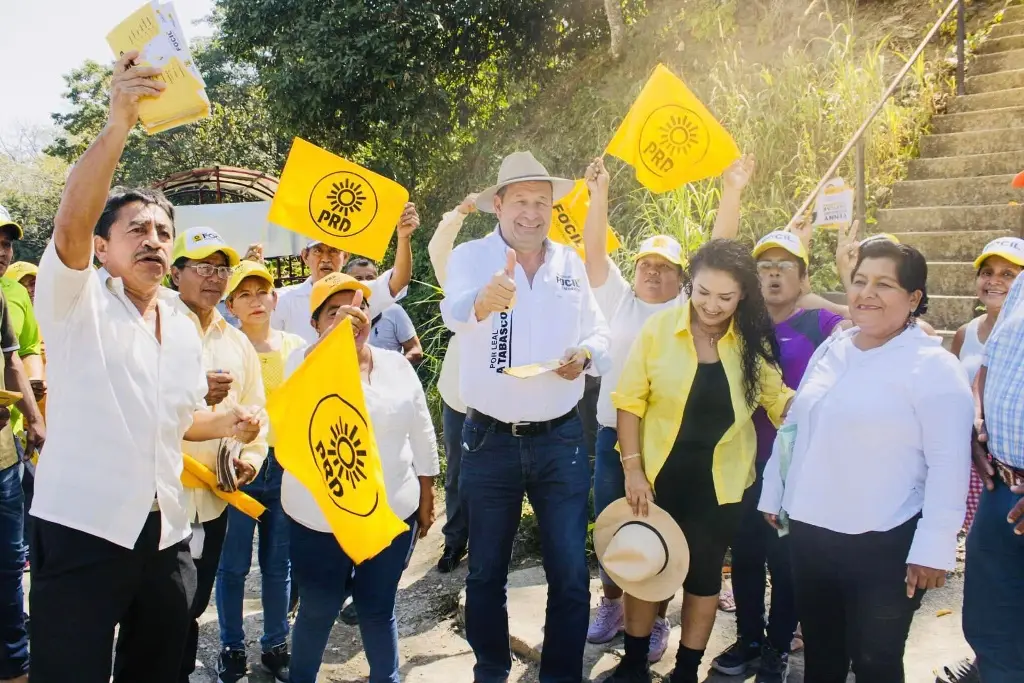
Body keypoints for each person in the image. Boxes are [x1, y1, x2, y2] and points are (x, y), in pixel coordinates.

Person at [28, 51, 264, 683]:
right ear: (102, 249)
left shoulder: (181, 324)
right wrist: (119, 122)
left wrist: (230, 423)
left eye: (164, 231)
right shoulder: (75, 301)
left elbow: (179, 421)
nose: (154, 240)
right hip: (83, 525)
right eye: (136, 230)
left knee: (161, 667)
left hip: (166, 534)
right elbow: (71, 220)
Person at [759, 240, 973, 683]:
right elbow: (796, 425)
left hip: (885, 541)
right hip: (811, 533)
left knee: (876, 662)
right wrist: (774, 491)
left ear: (914, 298)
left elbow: (950, 466)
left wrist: (934, 548)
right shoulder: (833, 349)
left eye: (884, 284)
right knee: (821, 656)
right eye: (859, 281)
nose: (866, 293)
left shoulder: (933, 367)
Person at [440, 151, 611, 683]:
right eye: (520, 201)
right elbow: (453, 311)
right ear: (498, 204)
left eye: (542, 201)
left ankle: (560, 675)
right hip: (489, 440)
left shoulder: (571, 264)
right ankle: (490, 670)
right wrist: (484, 301)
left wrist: (583, 355)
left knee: (570, 571)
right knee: (487, 571)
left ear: (552, 206)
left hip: (561, 440)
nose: (531, 213)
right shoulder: (471, 256)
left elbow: (599, 331)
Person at [582, 154, 755, 662]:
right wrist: (599, 196)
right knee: (617, 531)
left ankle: (655, 626)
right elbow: (594, 250)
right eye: (646, 264)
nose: (653, 272)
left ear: (683, 277)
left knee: (659, 536)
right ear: (634, 269)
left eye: (665, 267)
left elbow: (719, 253)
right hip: (613, 436)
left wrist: (733, 190)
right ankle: (611, 604)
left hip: (663, 446)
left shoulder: (689, 309)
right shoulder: (617, 299)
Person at [610, 238, 794, 683]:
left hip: (721, 486)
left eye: (725, 297)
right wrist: (633, 470)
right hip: (657, 480)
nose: (712, 305)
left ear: (743, 295)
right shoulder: (659, 330)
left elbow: (778, 399)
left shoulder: (749, 340)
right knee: (644, 570)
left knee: (704, 578)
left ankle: (686, 671)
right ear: (691, 285)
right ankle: (634, 664)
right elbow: (629, 402)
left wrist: (821, 402)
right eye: (704, 293)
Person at [282, 272, 439, 683]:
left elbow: (421, 428)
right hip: (319, 519)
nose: (350, 317)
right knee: (318, 607)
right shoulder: (301, 364)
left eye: (358, 307)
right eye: (334, 311)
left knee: (376, 605)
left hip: (389, 513)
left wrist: (427, 490)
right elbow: (291, 412)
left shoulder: (395, 366)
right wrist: (331, 348)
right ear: (314, 324)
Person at [708, 228, 844, 682]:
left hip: (792, 467)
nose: (773, 275)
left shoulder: (820, 324)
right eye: (764, 267)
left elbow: (896, 326)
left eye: (785, 266)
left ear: (804, 277)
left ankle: (778, 646)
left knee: (784, 562)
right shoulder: (739, 325)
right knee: (744, 556)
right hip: (743, 463)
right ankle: (749, 639)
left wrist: (828, 301)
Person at [168, 228, 271, 683]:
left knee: (193, 600)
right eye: (202, 267)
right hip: (159, 498)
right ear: (175, 274)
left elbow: (256, 410)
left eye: (221, 268)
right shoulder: (153, 324)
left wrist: (250, 455)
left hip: (212, 501)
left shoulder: (237, 341)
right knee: (155, 603)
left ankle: (182, 670)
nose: (213, 278)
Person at [217, 260, 305, 683]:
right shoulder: (222, 347)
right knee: (232, 564)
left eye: (262, 292)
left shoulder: (295, 346)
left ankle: (275, 643)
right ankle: (232, 646)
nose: (256, 301)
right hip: (238, 464)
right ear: (230, 304)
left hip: (286, 465)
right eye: (244, 294)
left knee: (278, 564)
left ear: (275, 297)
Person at [963, 273, 1024, 682]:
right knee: (991, 630)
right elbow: (990, 364)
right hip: (999, 485)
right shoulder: (1021, 288)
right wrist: (977, 420)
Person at [271, 204, 420, 344]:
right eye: (318, 251)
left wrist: (403, 237)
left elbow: (398, 280)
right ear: (305, 256)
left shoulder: (361, 293)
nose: (326, 259)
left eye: (334, 251)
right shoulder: (284, 300)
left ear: (346, 256)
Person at [428, 192, 478, 573]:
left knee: (501, 478)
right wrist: (459, 211)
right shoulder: (462, 283)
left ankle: (491, 543)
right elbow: (438, 248)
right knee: (458, 471)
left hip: (508, 400)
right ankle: (454, 542)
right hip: (460, 396)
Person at [345, 257, 424, 365]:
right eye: (358, 278)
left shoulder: (394, 311)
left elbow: (415, 351)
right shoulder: (340, 314)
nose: (365, 282)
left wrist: (390, 368)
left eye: (370, 278)